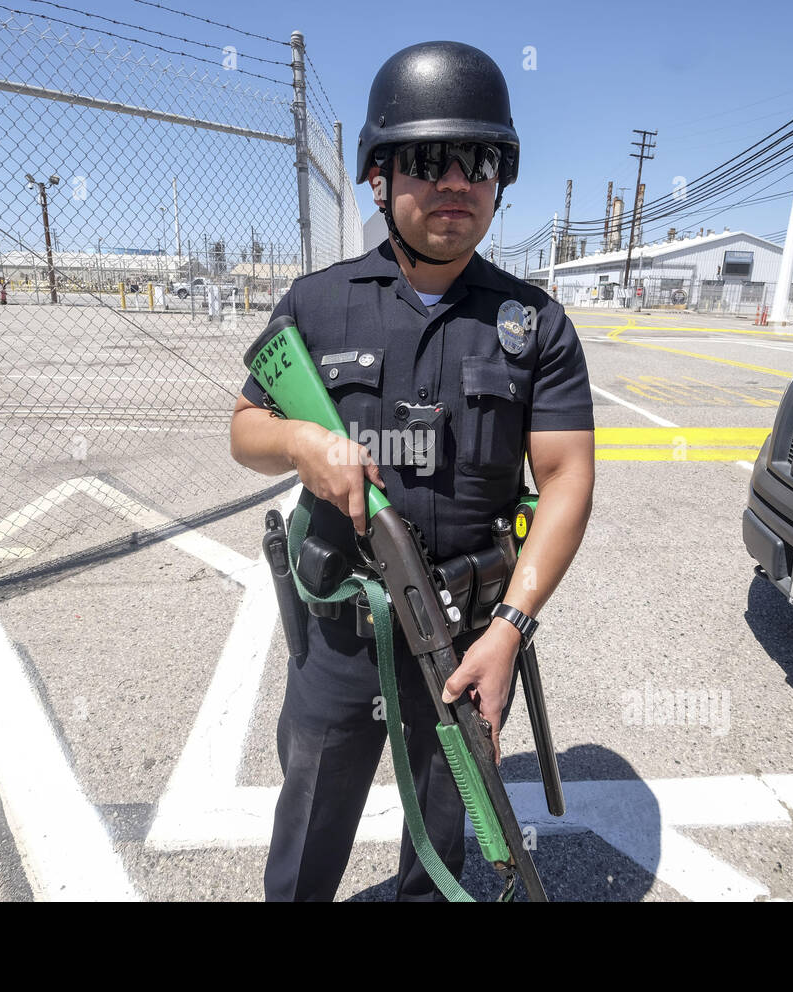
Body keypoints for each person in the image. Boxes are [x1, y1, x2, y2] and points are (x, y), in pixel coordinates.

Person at [229, 40, 595, 901]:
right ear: (378, 176)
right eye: (429, 161)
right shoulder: (316, 304)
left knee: (444, 825)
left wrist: (510, 630)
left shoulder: (533, 324)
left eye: (480, 162)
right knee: (312, 818)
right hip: (342, 634)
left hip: (467, 636)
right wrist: (300, 446)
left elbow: (569, 477)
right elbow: (245, 429)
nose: (456, 183)